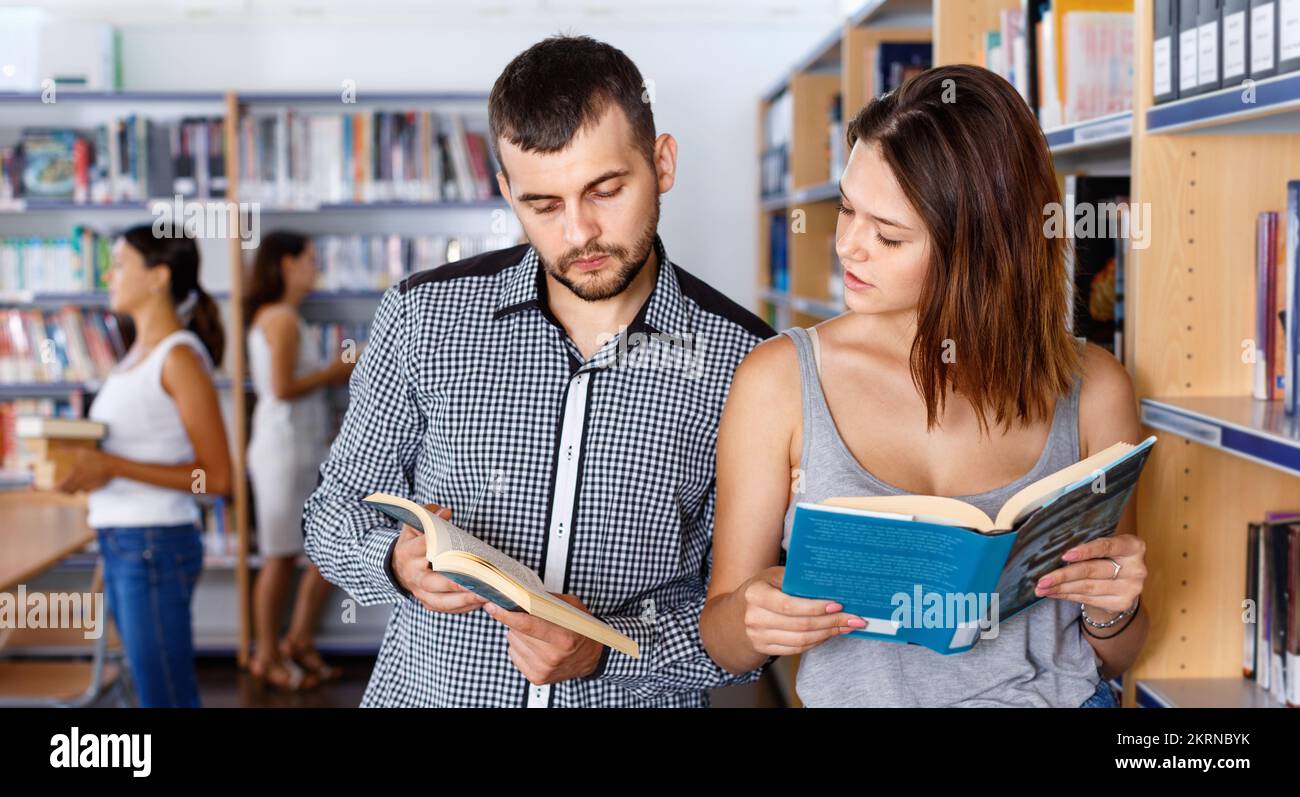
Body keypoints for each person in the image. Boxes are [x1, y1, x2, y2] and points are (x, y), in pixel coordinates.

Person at [303, 34, 775, 707]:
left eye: (605, 190)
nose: (579, 233)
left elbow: (746, 629)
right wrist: (394, 563)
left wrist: (605, 649)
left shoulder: (750, 362)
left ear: (662, 162)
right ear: (506, 191)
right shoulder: (422, 317)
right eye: (543, 205)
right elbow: (331, 512)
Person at [699, 65, 1148, 708]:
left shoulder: (1094, 388)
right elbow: (722, 642)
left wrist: (1113, 607)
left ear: (980, 250)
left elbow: (1117, 654)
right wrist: (754, 619)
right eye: (846, 209)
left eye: (888, 235)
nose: (848, 246)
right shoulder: (778, 381)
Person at [57, 223, 232, 708]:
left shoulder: (179, 358)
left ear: (158, 276)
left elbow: (217, 477)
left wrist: (112, 466)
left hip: (153, 544)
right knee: (150, 691)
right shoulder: (135, 356)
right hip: (125, 542)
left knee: (165, 698)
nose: (107, 275)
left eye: (118, 264)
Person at [244, 231, 354, 691]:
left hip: (298, 448)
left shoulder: (284, 318)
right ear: (287, 264)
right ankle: (267, 654)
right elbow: (283, 387)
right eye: (310, 259)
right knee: (280, 556)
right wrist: (337, 371)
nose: (316, 267)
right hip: (283, 451)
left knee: (316, 552)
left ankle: (297, 641)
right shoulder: (283, 320)